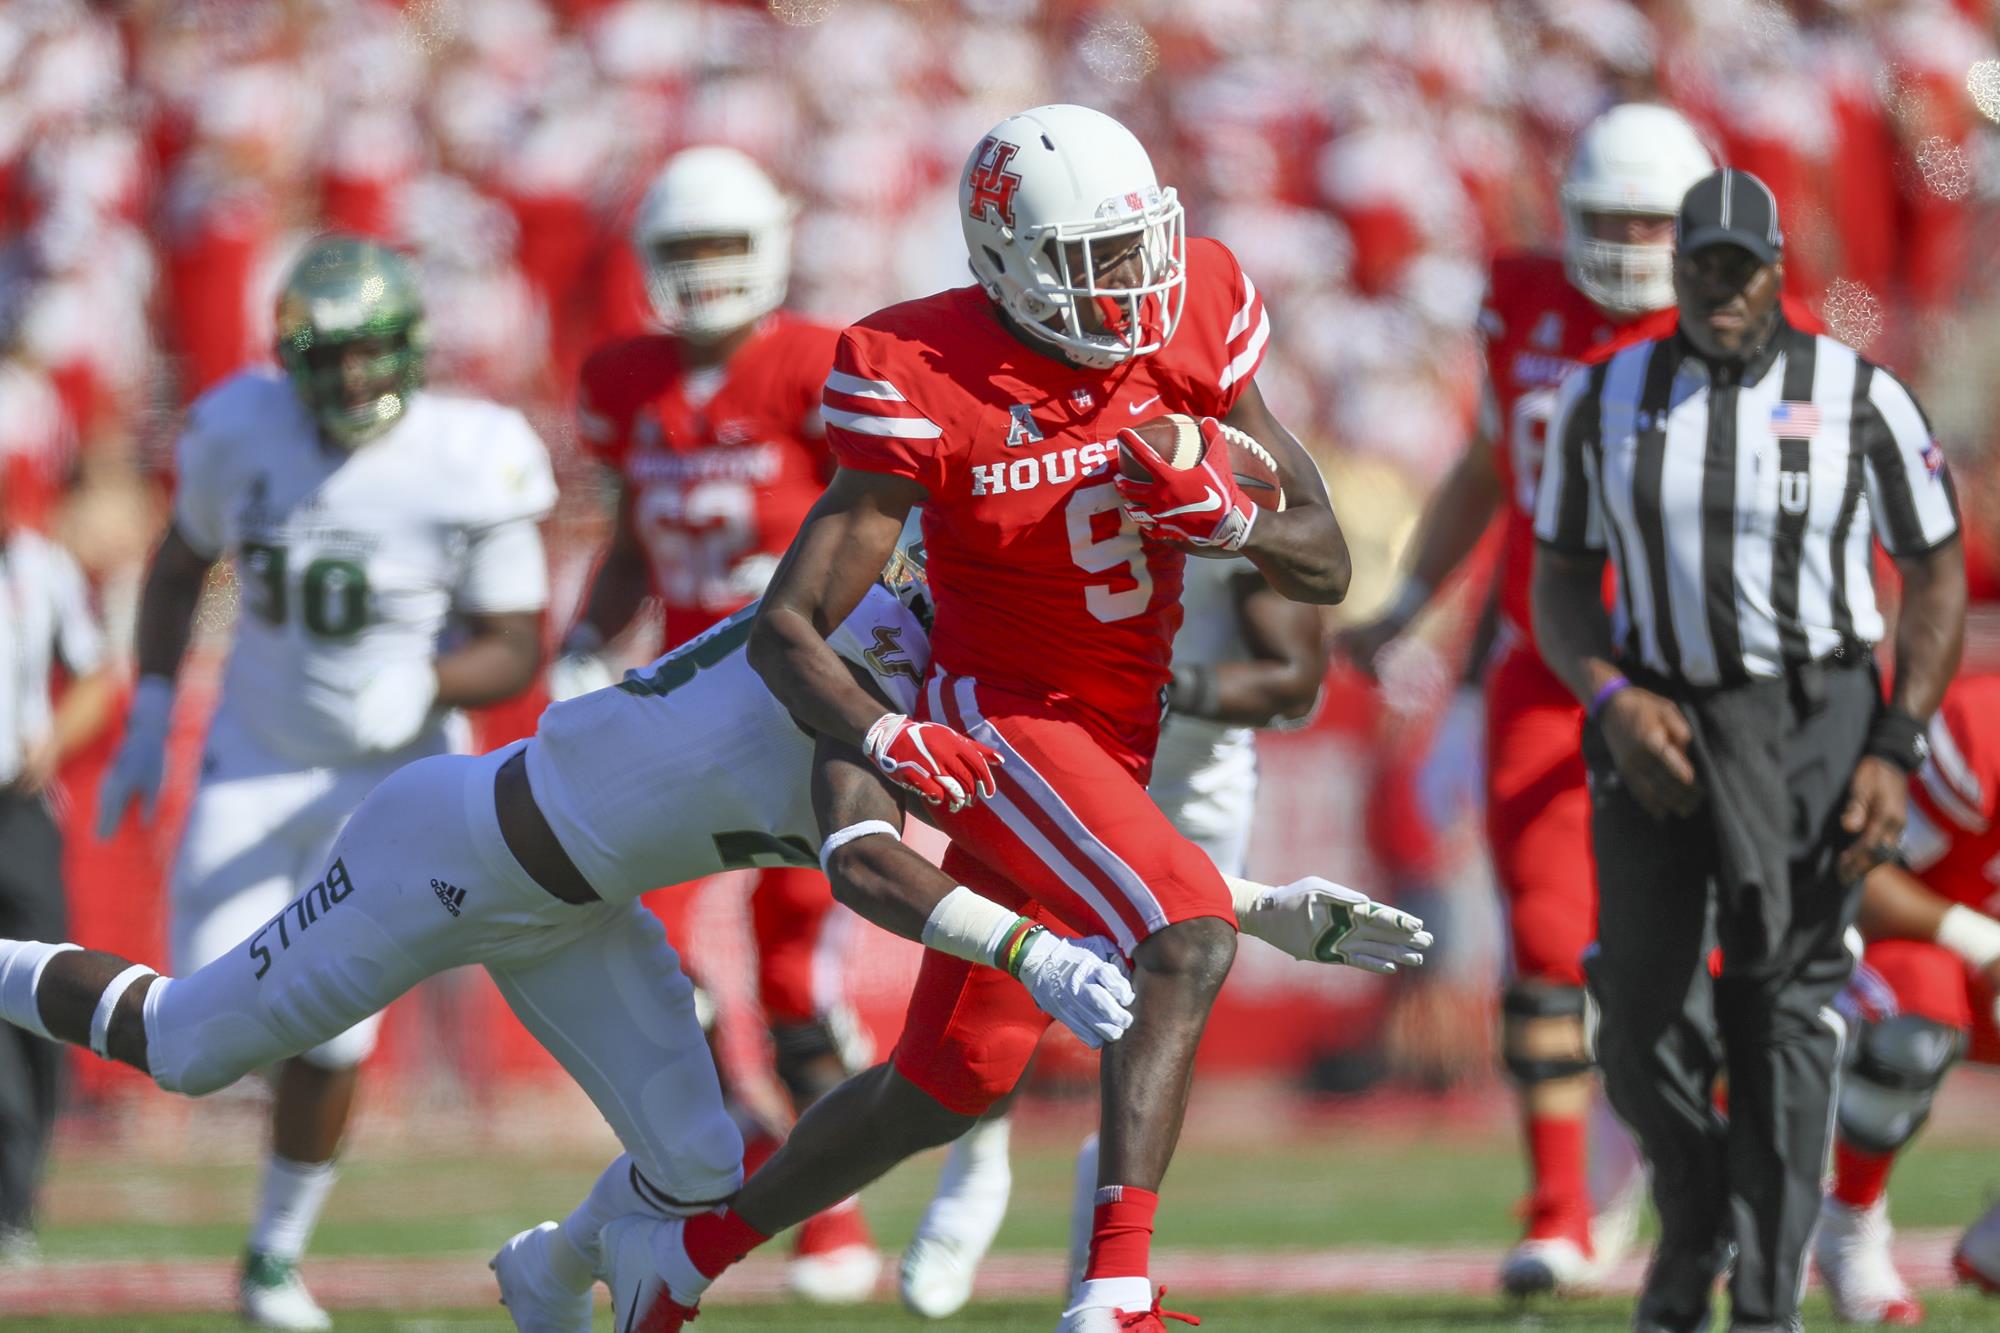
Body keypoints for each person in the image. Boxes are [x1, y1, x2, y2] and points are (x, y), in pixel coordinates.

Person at [0, 544, 1413, 1333]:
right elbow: (866, 862)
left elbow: (1055, 857)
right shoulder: (848, 672)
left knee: (698, 1173)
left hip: (578, 910)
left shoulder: (910, 670)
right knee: (184, 1044)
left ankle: (546, 1276)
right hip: (446, 855)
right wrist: (1033, 958)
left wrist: (1258, 909)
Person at [628, 102, 1371, 1333]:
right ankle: (1114, 1294)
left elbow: (1324, 559)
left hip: (1116, 725)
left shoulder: (1191, 319)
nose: (1132, 285)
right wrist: (877, 733)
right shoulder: (923, 371)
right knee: (1182, 930)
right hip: (1005, 717)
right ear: (1004, 263)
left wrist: (1230, 521)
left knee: (946, 1081)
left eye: (1140, 247)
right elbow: (786, 624)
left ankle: (683, 1256)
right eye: (1095, 260)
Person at [92, 235, 556, 1330]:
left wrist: (429, 679)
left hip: (392, 783)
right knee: (191, 1038)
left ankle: (272, 1257)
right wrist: (152, 713)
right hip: (255, 756)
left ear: (411, 348)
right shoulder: (235, 426)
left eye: (370, 352)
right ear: (288, 358)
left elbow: (517, 640)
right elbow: (174, 567)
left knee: (335, 1032)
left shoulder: (468, 449)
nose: (352, 378)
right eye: (327, 355)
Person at [1532, 168, 1967, 1333]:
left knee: (1778, 1006)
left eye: (1740, 266)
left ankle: (1762, 1304)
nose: (1718, 288)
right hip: (1655, 711)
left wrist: (1891, 742)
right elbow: (1559, 582)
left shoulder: (1857, 395)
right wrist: (1612, 691)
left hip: (1810, 713)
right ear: (1673, 270)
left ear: (1778, 269)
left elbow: (1931, 571)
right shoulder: (1601, 396)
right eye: (1698, 266)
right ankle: (1695, 1202)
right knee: (1630, 1007)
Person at [1333, 102, 1715, 1295]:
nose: (1622, 243)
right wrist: (1406, 603)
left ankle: (1695, 1177)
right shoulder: (1524, 302)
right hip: (1545, 665)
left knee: (1706, 957)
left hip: (1699, 670)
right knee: (1546, 945)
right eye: (1604, 219)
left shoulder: (1745, 321)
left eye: (1647, 221)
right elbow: (1487, 468)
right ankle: (1555, 1207)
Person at [549, 146, 880, 1302]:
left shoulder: (815, 367)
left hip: (801, 697)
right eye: (681, 250)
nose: (703, 273)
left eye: (721, 247)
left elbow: (878, 527)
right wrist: (588, 638)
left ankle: (833, 1207)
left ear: (772, 248)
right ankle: (750, 1143)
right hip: (685, 703)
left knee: (795, 970)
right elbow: (634, 544)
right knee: (653, 949)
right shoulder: (624, 379)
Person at [899, 554, 1330, 1318]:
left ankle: (1105, 1266)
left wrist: (1161, 689)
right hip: (1055, 756)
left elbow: (1294, 680)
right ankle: (977, 1162)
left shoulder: (1229, 471)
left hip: (1191, 785)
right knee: (1004, 1007)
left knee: (1153, 1023)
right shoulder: (1034, 460)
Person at [1815, 673, 2000, 1324]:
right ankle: (1850, 1226)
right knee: (1917, 1009)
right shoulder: (1984, 734)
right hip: (1907, 955)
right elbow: (1861, 875)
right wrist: (1986, 943)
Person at [0, 518, 117, 1262]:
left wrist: (54, 738)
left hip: (17, 807)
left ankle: (15, 1199)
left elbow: (98, 673)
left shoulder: (37, 563)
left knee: (35, 995)